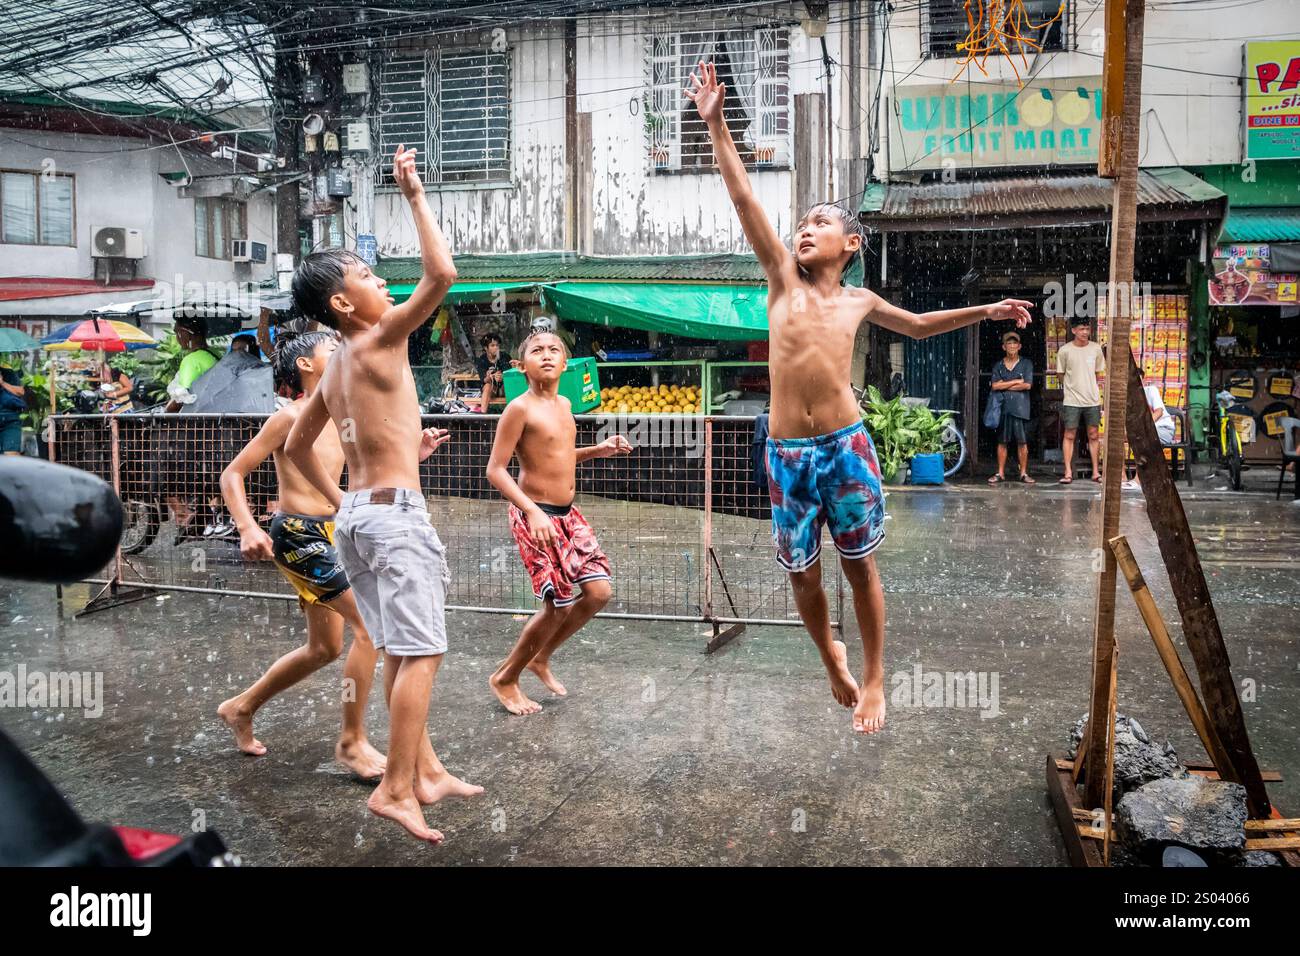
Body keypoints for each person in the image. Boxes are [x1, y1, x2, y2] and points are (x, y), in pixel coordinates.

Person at [687, 62, 1031, 734]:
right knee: (803, 579)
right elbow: (742, 198)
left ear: (850, 244)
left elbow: (922, 325)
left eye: (819, 223)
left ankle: (875, 676)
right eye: (803, 223)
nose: (804, 229)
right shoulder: (781, 281)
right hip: (787, 454)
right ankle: (831, 659)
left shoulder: (860, 299)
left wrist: (987, 309)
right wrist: (716, 124)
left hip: (845, 444)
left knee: (859, 566)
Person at [285, 145, 482, 844]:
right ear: (345, 303)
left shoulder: (337, 364)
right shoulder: (377, 338)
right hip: (392, 522)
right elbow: (444, 274)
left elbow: (295, 447)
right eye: (370, 276)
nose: (384, 283)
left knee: (399, 648)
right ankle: (396, 789)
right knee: (422, 651)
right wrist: (415, 195)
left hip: (363, 519)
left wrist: (348, 498)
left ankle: (425, 772)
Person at [216, 329, 388, 779]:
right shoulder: (289, 417)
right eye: (333, 349)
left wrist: (418, 455)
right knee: (370, 625)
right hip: (296, 534)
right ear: (307, 366)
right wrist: (247, 526)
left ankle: (241, 706)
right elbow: (232, 475)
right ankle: (352, 743)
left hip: (333, 533)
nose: (343, 353)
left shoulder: (344, 416)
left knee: (323, 648)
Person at [485, 330, 632, 715]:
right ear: (521, 366)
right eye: (537, 350)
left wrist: (598, 450)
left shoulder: (565, 404)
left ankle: (541, 656)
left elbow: (560, 455)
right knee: (558, 605)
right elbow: (496, 470)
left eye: (554, 350)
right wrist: (532, 511)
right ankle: (505, 677)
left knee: (598, 593)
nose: (546, 355)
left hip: (568, 515)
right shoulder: (518, 408)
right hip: (534, 514)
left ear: (566, 364)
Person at [1055, 318, 1104, 484]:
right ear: (1074, 330)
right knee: (1069, 434)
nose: (1085, 332)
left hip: (1092, 399)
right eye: (1081, 329)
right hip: (1072, 400)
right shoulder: (1065, 351)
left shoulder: (1096, 349)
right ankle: (1068, 471)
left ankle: (1096, 472)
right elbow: (1060, 374)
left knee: (1094, 434)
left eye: (1087, 329)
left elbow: (1097, 373)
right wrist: (1071, 387)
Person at [988, 331, 1035, 484]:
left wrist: (1005, 385)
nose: (1012, 346)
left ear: (1020, 346)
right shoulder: (999, 365)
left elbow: (1027, 384)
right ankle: (1000, 473)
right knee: (1002, 441)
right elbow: (995, 386)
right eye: (1009, 343)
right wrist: (1016, 382)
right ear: (1004, 346)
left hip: (1021, 409)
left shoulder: (1026, 363)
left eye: (1015, 343)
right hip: (1003, 409)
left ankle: (1023, 473)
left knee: (1022, 442)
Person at [1122, 380, 1177, 491]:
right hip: (1145, 430)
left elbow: (1159, 412)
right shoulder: (1129, 398)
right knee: (1117, 437)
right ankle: (1122, 477)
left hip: (1164, 429)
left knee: (1143, 436)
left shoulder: (1151, 390)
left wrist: (1142, 427)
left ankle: (1139, 480)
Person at [164, 315, 218, 413]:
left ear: (186, 333)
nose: (177, 338)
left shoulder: (191, 360)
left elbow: (181, 398)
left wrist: (164, 415)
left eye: (177, 332)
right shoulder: (213, 355)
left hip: (197, 421)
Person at [0, 361, 26, 455]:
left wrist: (2, 383)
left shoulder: (8, 373)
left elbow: (20, 392)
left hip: (10, 421)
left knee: (11, 455)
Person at [475, 333, 506, 411]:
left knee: (509, 385)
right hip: (491, 390)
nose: (496, 348)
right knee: (487, 386)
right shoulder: (482, 360)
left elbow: (510, 374)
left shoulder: (505, 357)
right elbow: (484, 380)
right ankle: (483, 416)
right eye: (492, 346)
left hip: (504, 388)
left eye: (497, 345)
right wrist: (490, 377)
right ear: (486, 348)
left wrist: (502, 377)